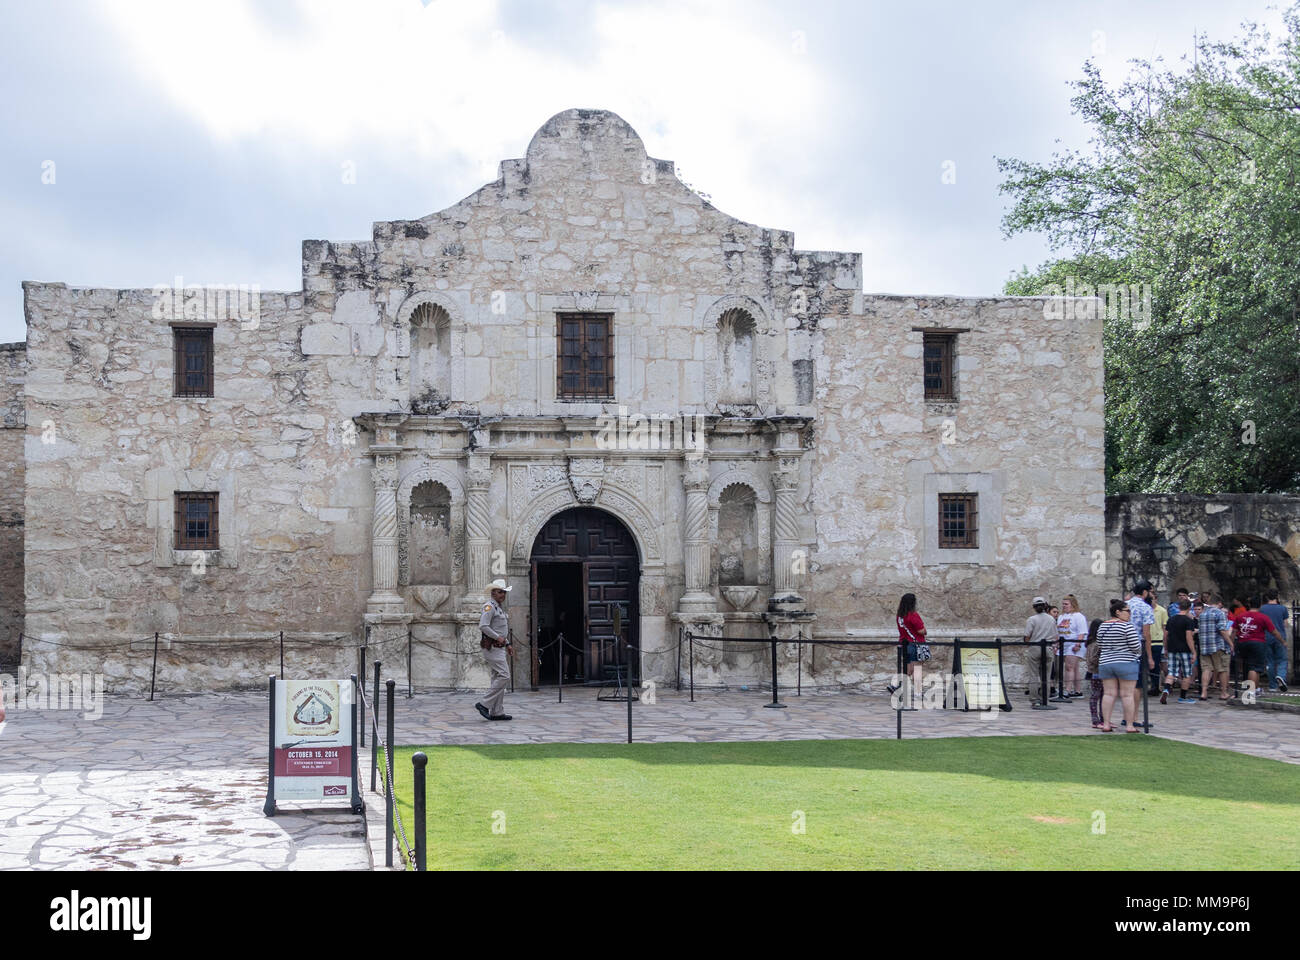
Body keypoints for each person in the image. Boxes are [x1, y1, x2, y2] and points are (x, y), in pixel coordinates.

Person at [1096, 598, 1143, 732]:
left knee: (1109, 694)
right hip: (1126, 662)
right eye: (1127, 611)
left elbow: (1099, 644)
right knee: (1127, 694)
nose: (1129, 613)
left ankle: (1106, 724)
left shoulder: (1103, 626)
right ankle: (1129, 725)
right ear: (1118, 612)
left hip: (1106, 662)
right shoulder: (1127, 626)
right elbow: (1136, 646)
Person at [474, 579, 514, 721]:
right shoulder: (489, 607)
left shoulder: (498, 607)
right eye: (500, 592)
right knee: (504, 676)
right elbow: (483, 626)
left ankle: (497, 711)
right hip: (492, 647)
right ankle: (484, 704)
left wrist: (507, 643)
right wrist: (498, 638)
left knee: (498, 677)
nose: (502, 595)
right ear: (493, 593)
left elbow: (500, 630)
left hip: (499, 647)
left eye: (504, 592)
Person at [1232, 600, 1282, 697]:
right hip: (1257, 643)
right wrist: (1282, 641)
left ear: (1249, 605)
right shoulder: (1263, 617)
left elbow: (1234, 631)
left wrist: (1231, 643)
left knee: (1248, 666)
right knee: (1255, 667)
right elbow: (1273, 631)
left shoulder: (1240, 616)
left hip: (1242, 642)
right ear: (1260, 606)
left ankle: (1255, 689)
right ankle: (1251, 691)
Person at [888, 593, 930, 703]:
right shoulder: (913, 615)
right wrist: (925, 630)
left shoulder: (899, 616)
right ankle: (917, 693)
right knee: (917, 669)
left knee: (908, 669)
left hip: (904, 644)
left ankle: (896, 686)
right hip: (916, 644)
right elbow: (921, 630)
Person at [1196, 593, 1234, 701]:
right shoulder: (1220, 613)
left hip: (1204, 646)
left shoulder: (1202, 614)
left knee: (1206, 669)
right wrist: (1231, 644)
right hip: (1217, 646)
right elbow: (1222, 630)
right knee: (1222, 669)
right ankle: (1223, 693)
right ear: (1219, 603)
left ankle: (1203, 693)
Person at [1161, 603, 1198, 704]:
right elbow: (1189, 637)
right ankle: (1182, 697)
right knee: (1187, 674)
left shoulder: (1171, 619)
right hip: (1185, 650)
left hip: (1172, 649)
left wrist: (1166, 648)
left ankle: (1166, 690)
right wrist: (1193, 651)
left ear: (1179, 607)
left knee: (1172, 672)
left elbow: (1165, 635)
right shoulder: (1188, 621)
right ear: (1189, 608)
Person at [1023, 596, 1058, 702]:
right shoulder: (1051, 619)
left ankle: (1034, 698)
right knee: (1046, 675)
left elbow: (1027, 636)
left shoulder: (1032, 619)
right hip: (1048, 647)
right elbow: (1055, 635)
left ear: (1034, 607)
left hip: (1035, 647)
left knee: (1033, 674)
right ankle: (1045, 698)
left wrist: (1028, 644)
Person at [1126, 581, 1157, 693]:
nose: (1152, 595)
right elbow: (1146, 634)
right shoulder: (1145, 608)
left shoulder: (1125, 605)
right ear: (1145, 592)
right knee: (1137, 684)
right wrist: (1150, 656)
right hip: (1137, 648)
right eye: (1151, 592)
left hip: (1122, 646)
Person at [1057, 595, 1089, 697]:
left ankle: (1067, 689)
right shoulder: (1061, 616)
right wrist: (1057, 644)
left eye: (1066, 604)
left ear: (1072, 604)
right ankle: (1078, 691)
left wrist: (1078, 644)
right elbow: (1059, 632)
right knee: (1074, 668)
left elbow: (1082, 632)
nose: (1064, 606)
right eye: (1063, 604)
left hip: (1074, 643)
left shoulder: (1078, 616)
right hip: (1064, 643)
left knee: (1069, 666)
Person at [1259, 591, 1290, 692]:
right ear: (1277, 597)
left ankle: (1272, 686)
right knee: (1282, 660)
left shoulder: (1262, 609)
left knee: (1270, 661)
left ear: (1267, 597)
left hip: (1266, 637)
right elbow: (1285, 624)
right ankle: (1281, 676)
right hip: (1280, 636)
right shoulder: (1283, 608)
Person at [1084, 617, 1104, 728]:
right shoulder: (1095, 644)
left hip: (1097, 671)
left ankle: (1103, 718)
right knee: (1096, 695)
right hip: (1097, 671)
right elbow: (1093, 659)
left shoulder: (1092, 643)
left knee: (1102, 695)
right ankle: (1096, 720)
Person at [1147, 587, 1168, 694]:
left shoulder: (1162, 611)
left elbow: (1164, 628)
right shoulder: (1145, 610)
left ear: (1156, 599)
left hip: (1157, 641)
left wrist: (1165, 644)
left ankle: (1155, 686)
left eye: (1152, 599)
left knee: (1155, 665)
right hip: (1146, 640)